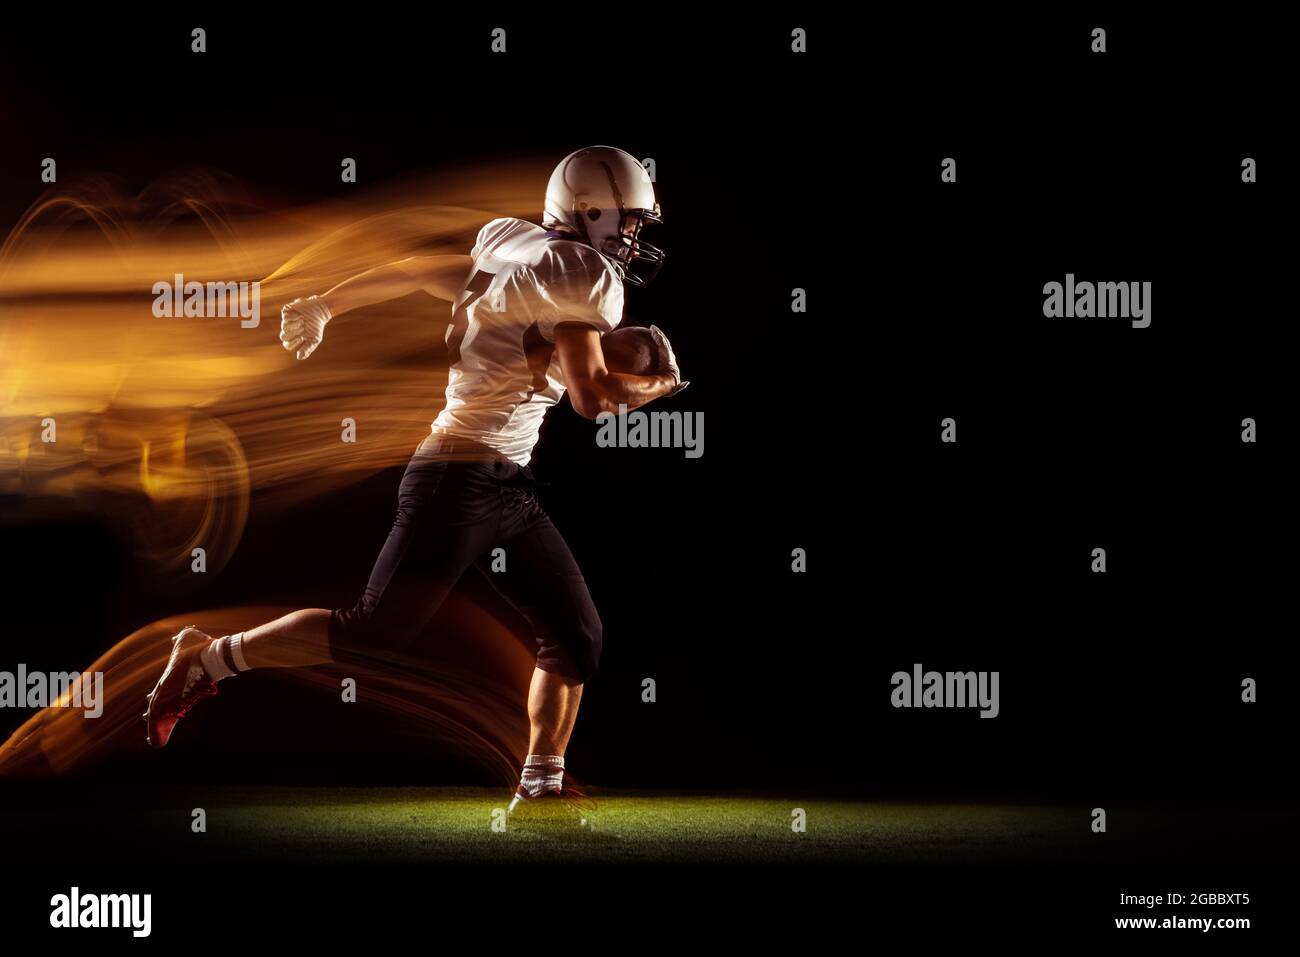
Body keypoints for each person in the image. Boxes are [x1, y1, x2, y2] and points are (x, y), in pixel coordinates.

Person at [144, 146, 686, 816]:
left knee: (576, 634)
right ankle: (208, 656)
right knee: (370, 634)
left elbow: (417, 270)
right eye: (629, 221)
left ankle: (541, 783)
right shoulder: (581, 273)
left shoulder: (510, 242)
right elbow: (590, 399)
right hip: (455, 479)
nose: (633, 238)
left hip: (502, 481)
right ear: (594, 211)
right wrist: (657, 386)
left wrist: (325, 304)